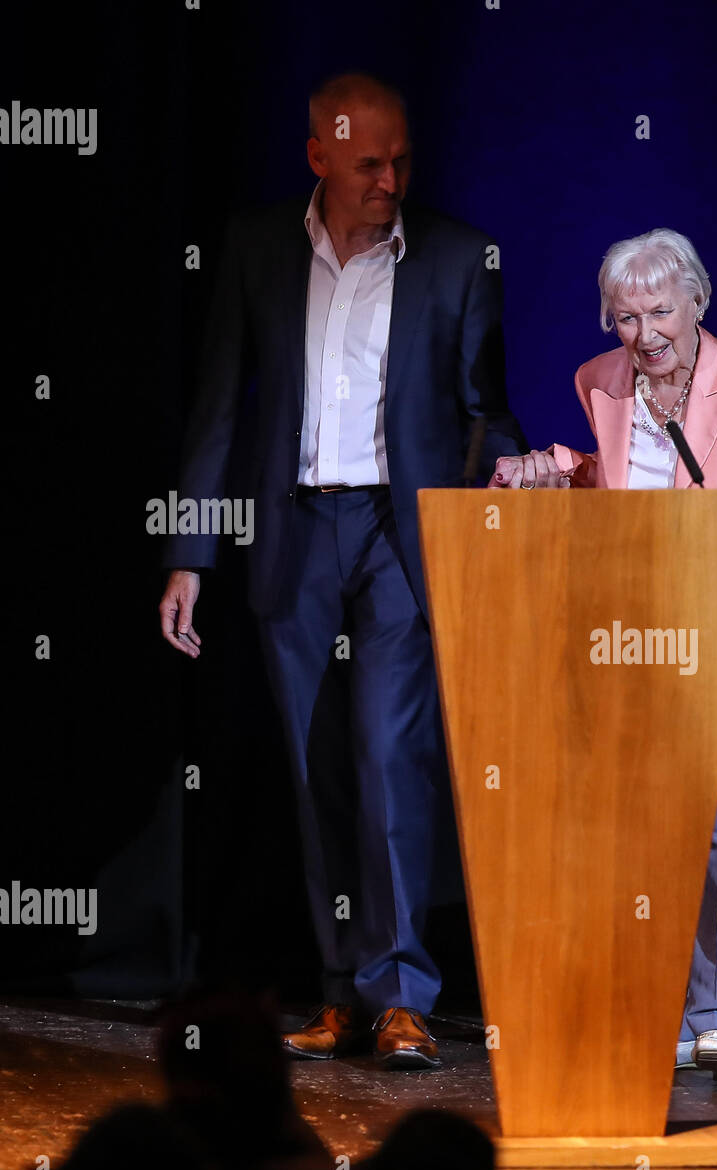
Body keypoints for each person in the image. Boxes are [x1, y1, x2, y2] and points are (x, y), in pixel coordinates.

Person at [159, 72, 528, 1069]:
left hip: (398, 540)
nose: (389, 179)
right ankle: (342, 993)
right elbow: (219, 411)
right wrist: (190, 552)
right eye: (368, 163)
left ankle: (404, 991)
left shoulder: (455, 258)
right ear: (319, 155)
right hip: (293, 533)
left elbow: (485, 407)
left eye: (401, 160)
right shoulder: (257, 249)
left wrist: (502, 492)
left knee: (388, 758)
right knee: (315, 769)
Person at [491, 228, 717, 1081]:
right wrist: (556, 467)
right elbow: (621, 487)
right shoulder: (598, 382)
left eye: (658, 311)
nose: (643, 334)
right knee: (640, 826)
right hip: (635, 629)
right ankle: (659, 1005)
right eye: (624, 317)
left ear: (696, 303)